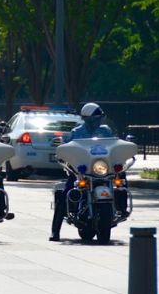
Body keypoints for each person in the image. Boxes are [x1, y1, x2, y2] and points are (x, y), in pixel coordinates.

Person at [49, 102, 116, 241]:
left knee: (121, 181)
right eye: (95, 118)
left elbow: (114, 144)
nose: (98, 121)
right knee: (65, 193)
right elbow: (65, 147)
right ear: (87, 118)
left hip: (101, 168)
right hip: (81, 170)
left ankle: (121, 206)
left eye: (99, 118)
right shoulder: (76, 132)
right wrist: (62, 151)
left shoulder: (105, 131)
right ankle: (55, 231)